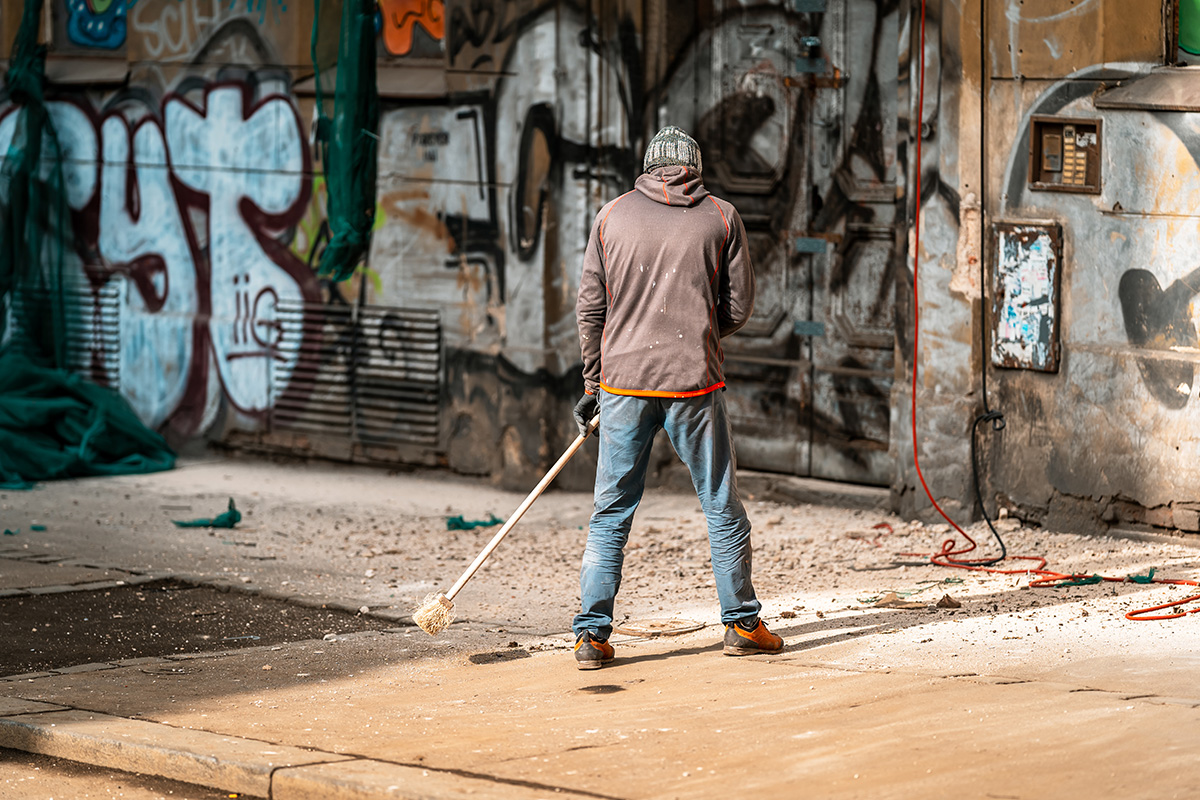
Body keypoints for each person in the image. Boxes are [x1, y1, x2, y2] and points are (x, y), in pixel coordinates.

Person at [570, 126, 783, 670]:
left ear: (648, 166)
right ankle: (741, 622)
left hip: (622, 384)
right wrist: (699, 333)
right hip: (694, 383)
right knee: (720, 503)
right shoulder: (721, 216)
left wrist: (593, 383)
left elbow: (591, 308)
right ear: (694, 167)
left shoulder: (611, 215)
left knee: (610, 510)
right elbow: (738, 308)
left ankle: (591, 636)